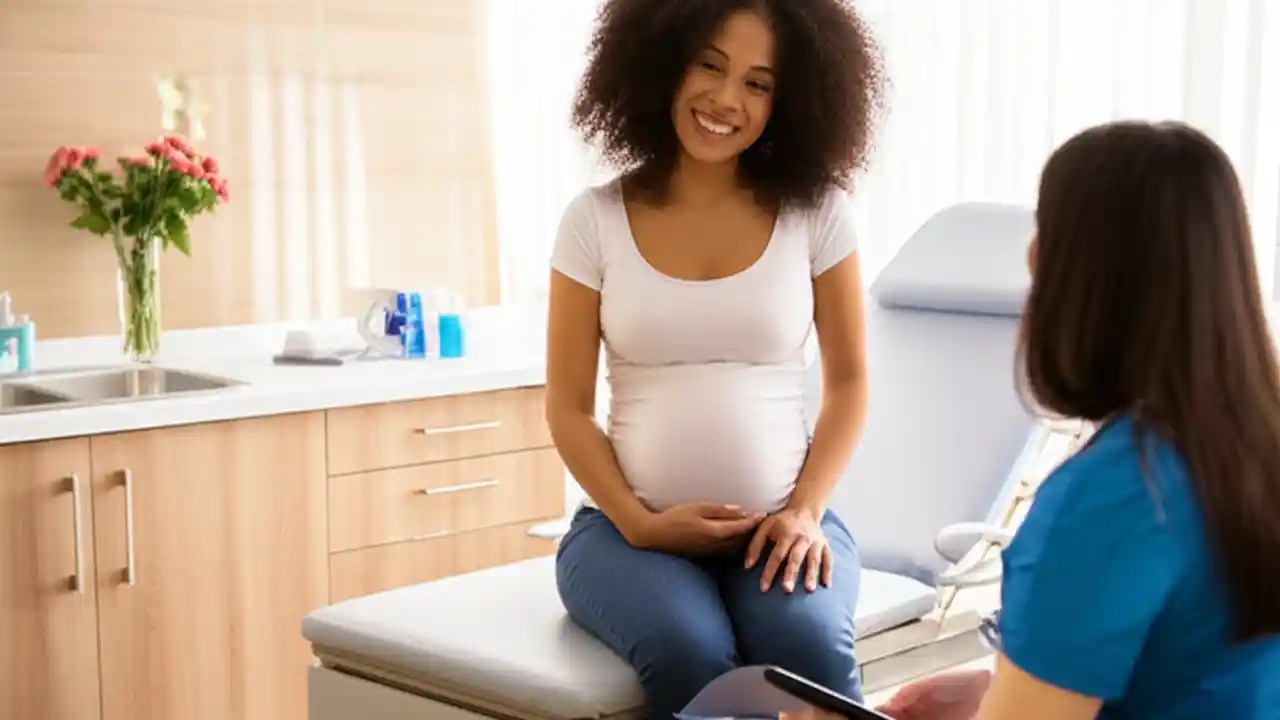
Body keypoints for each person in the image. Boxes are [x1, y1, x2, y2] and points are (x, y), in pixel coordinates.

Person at [805, 121, 1280, 719]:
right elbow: (1192, 664)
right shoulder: (1252, 445)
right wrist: (992, 690)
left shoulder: (1112, 496)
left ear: (1054, 268)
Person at [544, 0, 885, 717]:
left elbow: (850, 384)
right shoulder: (593, 220)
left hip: (782, 527)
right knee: (688, 650)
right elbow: (567, 407)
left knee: (810, 650)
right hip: (627, 536)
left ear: (787, 101)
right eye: (710, 64)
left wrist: (804, 513)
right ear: (662, 61)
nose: (727, 99)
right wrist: (639, 522)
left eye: (759, 83)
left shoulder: (817, 214)